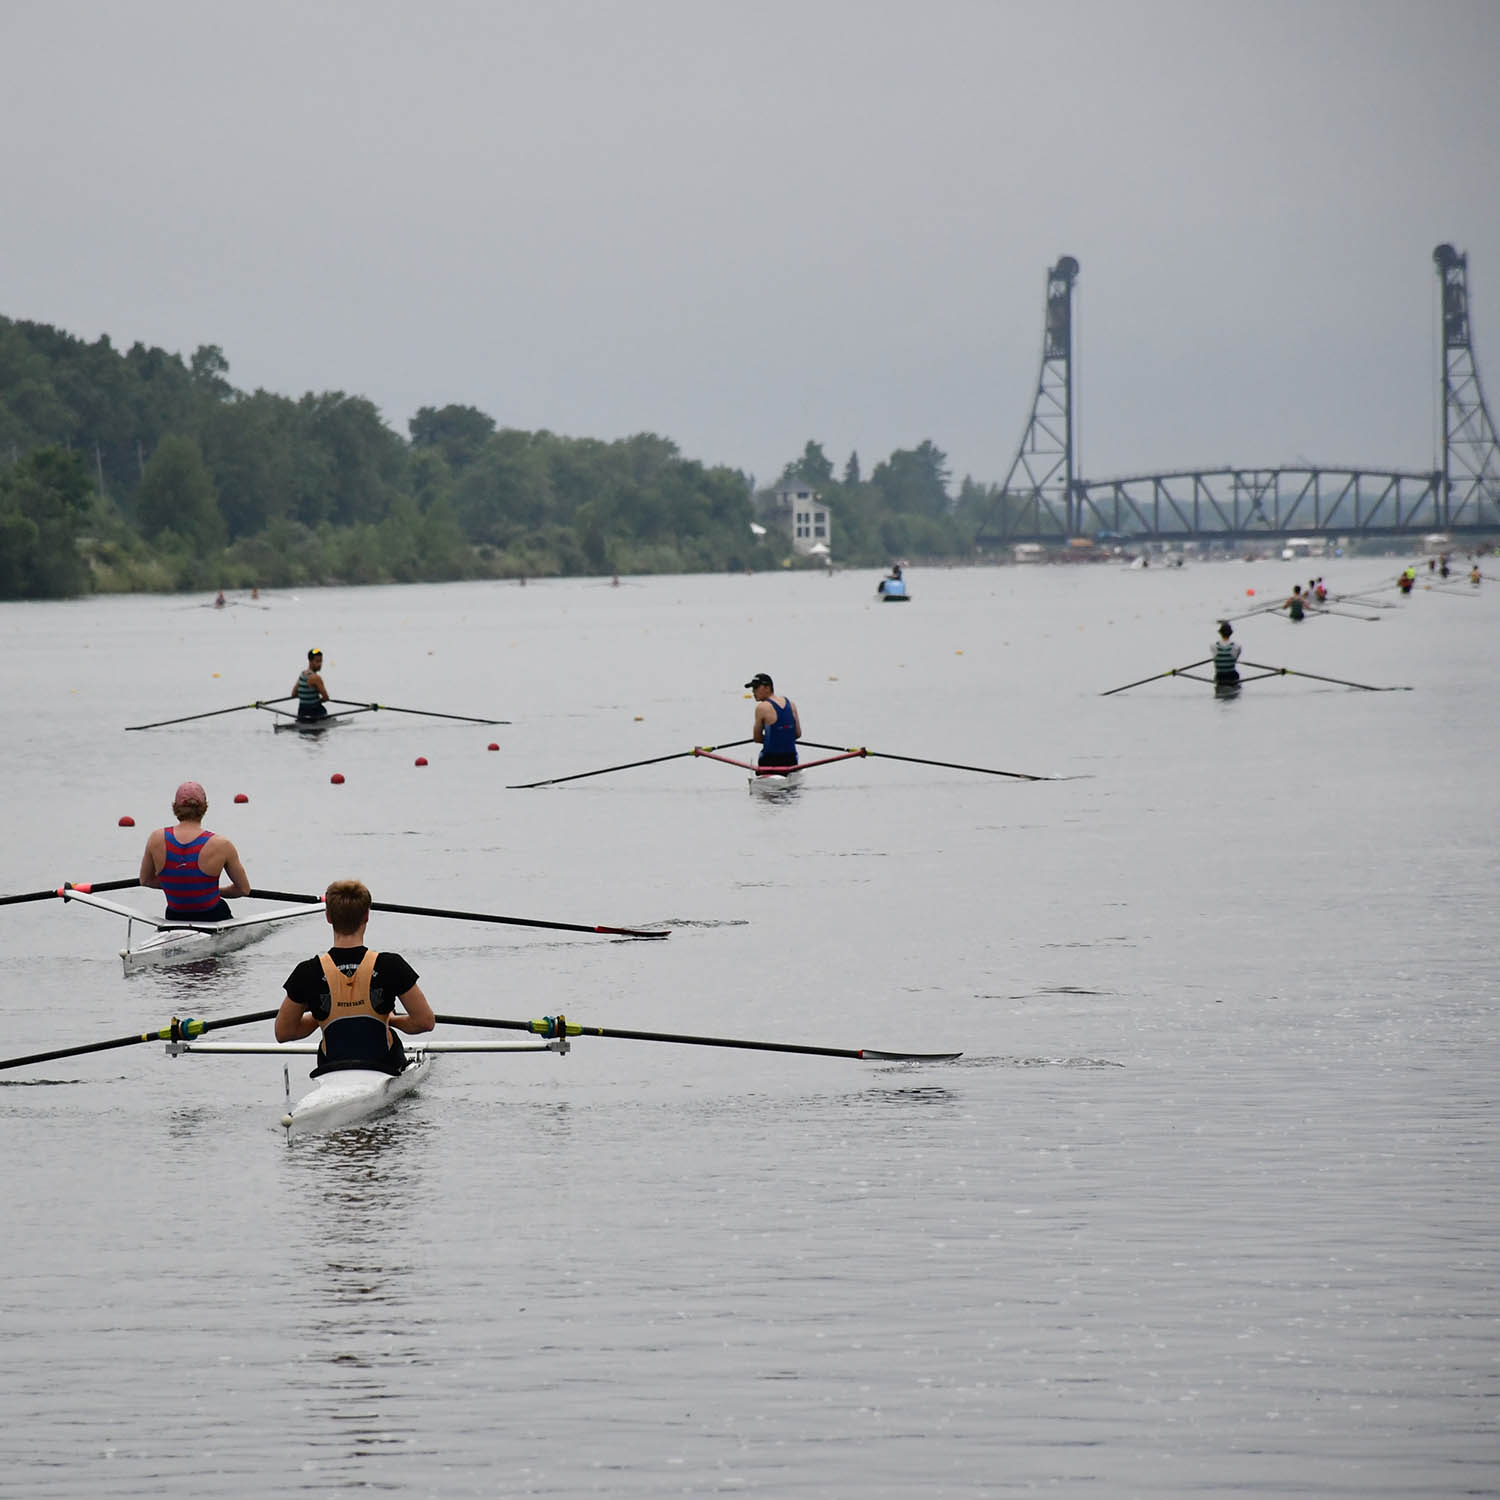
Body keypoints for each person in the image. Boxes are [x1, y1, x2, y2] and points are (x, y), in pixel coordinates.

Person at [275, 879, 435, 1077]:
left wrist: (321, 1015)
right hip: (383, 1066)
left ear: (328, 917)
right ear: (367, 916)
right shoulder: (391, 965)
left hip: (331, 1069)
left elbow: (283, 1032)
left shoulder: (307, 971)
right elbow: (425, 1022)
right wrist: (391, 1020)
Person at [138, 781, 250, 922]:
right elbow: (244, 890)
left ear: (175, 808)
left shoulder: (156, 838)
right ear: (205, 808)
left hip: (174, 917)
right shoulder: (222, 844)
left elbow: (146, 880)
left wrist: (177, 884)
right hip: (213, 917)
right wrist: (213, 890)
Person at [745, 672, 801, 768]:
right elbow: (797, 734)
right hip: (791, 760)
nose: (753, 692)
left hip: (770, 760)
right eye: (752, 688)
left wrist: (773, 740)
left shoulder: (762, 707)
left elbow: (757, 738)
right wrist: (782, 739)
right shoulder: (791, 704)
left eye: (756, 688)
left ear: (767, 688)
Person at [293, 647, 329, 720]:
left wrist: (305, 696)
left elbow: (294, 694)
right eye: (317, 661)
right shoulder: (316, 678)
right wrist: (319, 700)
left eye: (321, 661)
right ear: (310, 661)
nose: (320, 664)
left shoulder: (302, 674)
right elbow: (326, 698)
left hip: (302, 712)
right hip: (314, 712)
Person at [1212, 620, 1241, 690]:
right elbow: (1236, 659)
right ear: (1231, 633)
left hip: (1219, 677)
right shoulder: (1237, 646)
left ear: (1220, 633)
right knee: (1236, 674)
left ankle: (1218, 688)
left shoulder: (1213, 646)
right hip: (1231, 676)